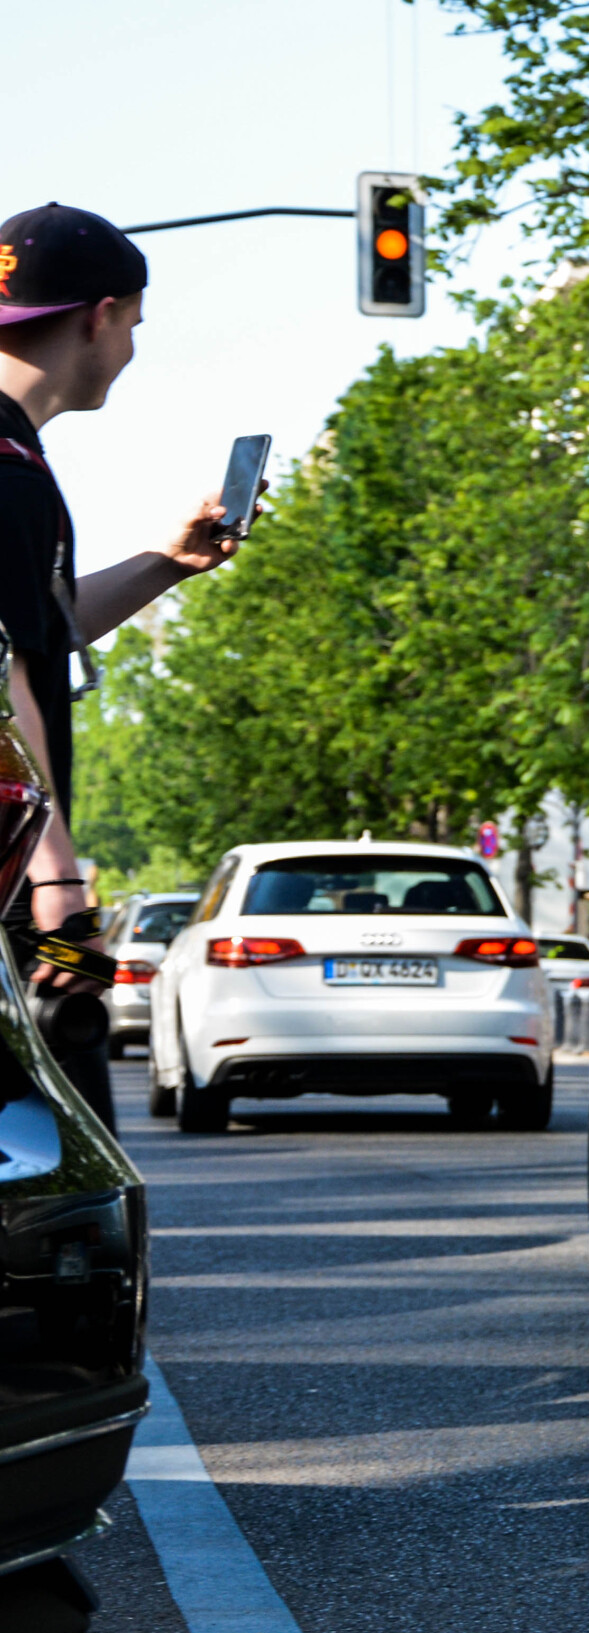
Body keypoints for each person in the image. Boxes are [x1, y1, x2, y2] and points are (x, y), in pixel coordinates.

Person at [0, 203, 247, 1124]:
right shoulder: (11, 478)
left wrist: (164, 564)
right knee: (61, 1171)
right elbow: (10, 678)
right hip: (21, 895)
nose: (133, 349)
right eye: (135, 325)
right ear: (100, 315)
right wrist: (62, 890)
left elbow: (43, 625)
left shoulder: (15, 456)